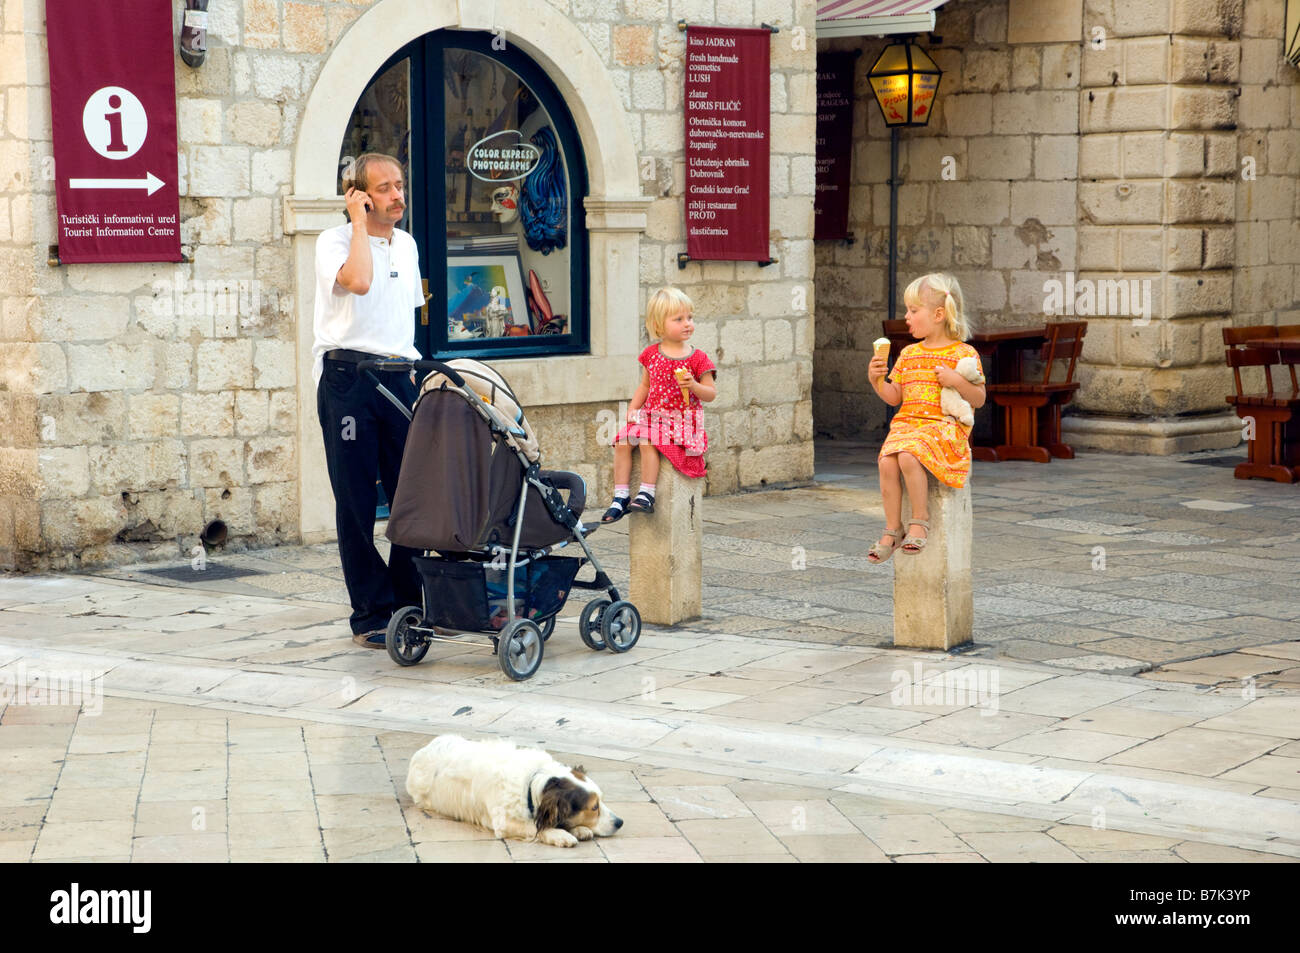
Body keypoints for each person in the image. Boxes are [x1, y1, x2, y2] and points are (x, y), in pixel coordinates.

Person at [313, 152, 425, 646]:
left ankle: (409, 604)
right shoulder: (333, 241)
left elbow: (409, 317)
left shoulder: (408, 244)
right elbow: (358, 282)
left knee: (411, 496)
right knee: (356, 499)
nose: (397, 196)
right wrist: (359, 224)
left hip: (401, 376)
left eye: (399, 185)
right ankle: (371, 615)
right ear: (357, 195)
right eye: (383, 188)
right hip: (349, 377)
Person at [866, 273, 985, 563]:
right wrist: (876, 380)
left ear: (939, 314)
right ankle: (893, 528)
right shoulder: (908, 353)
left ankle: (920, 521)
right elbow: (895, 397)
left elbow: (979, 399)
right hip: (909, 424)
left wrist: (957, 379)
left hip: (943, 428)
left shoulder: (963, 353)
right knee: (886, 459)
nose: (906, 317)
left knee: (907, 455)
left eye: (913, 311)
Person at [602, 287, 717, 522]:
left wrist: (693, 385)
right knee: (622, 441)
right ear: (658, 324)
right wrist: (633, 408)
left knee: (647, 439)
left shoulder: (698, 358)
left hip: (682, 421)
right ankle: (620, 496)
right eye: (679, 319)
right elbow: (645, 386)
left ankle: (646, 493)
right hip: (652, 416)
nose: (687, 323)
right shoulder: (651, 354)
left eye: (690, 318)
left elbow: (710, 394)